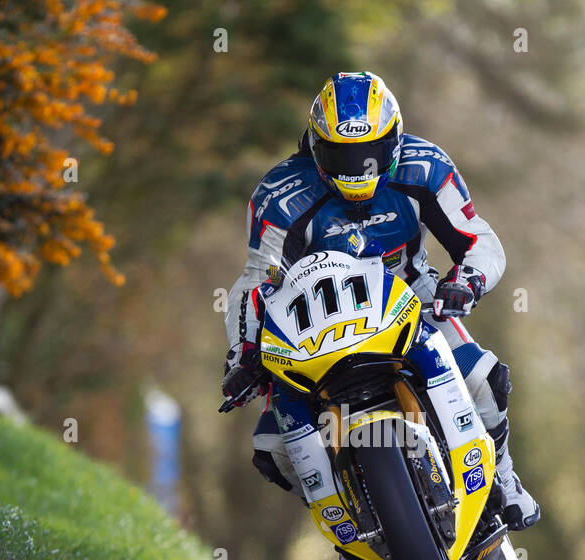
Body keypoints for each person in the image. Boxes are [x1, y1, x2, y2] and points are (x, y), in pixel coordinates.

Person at [221, 71, 539, 534]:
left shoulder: (426, 167)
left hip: (412, 297)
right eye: (341, 155)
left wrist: (466, 280)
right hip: (316, 322)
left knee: (485, 380)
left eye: (369, 153)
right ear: (314, 146)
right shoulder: (279, 195)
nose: (356, 168)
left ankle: (505, 480)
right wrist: (243, 355)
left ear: (394, 139)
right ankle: (352, 532)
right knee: (275, 448)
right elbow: (255, 283)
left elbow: (479, 241)